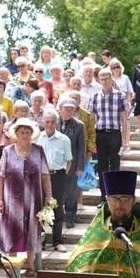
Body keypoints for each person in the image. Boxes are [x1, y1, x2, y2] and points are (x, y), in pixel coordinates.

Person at [0, 118, 51, 277]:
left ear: (31, 134)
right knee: (12, 229)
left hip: (33, 200)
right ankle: (12, 265)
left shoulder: (38, 151)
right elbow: (0, 178)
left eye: (28, 132)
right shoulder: (7, 151)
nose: (25, 135)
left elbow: (46, 176)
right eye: (22, 132)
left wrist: (49, 197)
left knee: (32, 230)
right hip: (12, 200)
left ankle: (30, 264)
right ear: (16, 134)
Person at [90, 68, 130, 198]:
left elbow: (124, 120)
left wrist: (125, 140)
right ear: (99, 80)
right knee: (101, 166)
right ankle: (103, 197)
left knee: (115, 165)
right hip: (100, 134)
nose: (105, 81)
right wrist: (91, 140)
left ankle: (114, 195)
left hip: (114, 134)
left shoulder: (120, 96)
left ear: (111, 78)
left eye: (107, 78)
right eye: (102, 79)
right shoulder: (95, 96)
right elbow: (91, 120)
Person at [37, 109, 72, 251]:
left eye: (52, 122)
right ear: (43, 122)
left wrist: (61, 176)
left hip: (58, 176)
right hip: (41, 176)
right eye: (47, 121)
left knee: (57, 208)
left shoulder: (64, 139)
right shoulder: (38, 138)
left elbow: (69, 161)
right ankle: (42, 242)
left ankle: (57, 241)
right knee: (41, 208)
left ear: (57, 123)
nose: (50, 124)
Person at [57, 95, 86, 229]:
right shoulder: (53, 122)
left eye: (71, 109)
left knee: (71, 193)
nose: (68, 112)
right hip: (56, 164)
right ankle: (57, 217)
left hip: (72, 165)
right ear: (60, 109)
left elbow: (81, 148)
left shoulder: (79, 126)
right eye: (66, 109)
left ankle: (70, 217)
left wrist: (80, 166)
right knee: (57, 192)